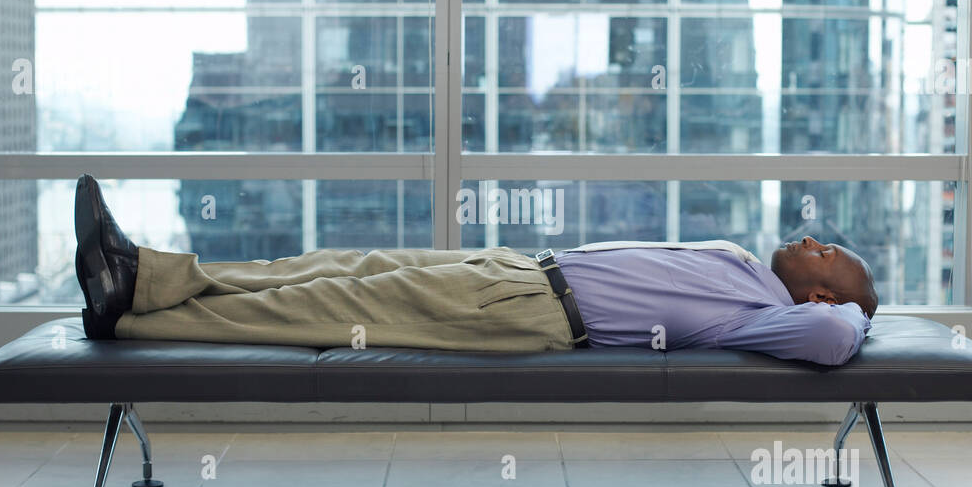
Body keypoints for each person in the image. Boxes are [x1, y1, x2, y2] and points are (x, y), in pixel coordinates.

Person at [74, 174, 878, 365]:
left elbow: (834, 339)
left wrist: (862, 314)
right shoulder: (741, 263)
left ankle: (133, 313)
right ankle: (141, 274)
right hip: (515, 267)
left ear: (817, 289)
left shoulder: (771, 312)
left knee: (323, 306)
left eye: (827, 254)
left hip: (528, 309)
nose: (815, 239)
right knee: (327, 265)